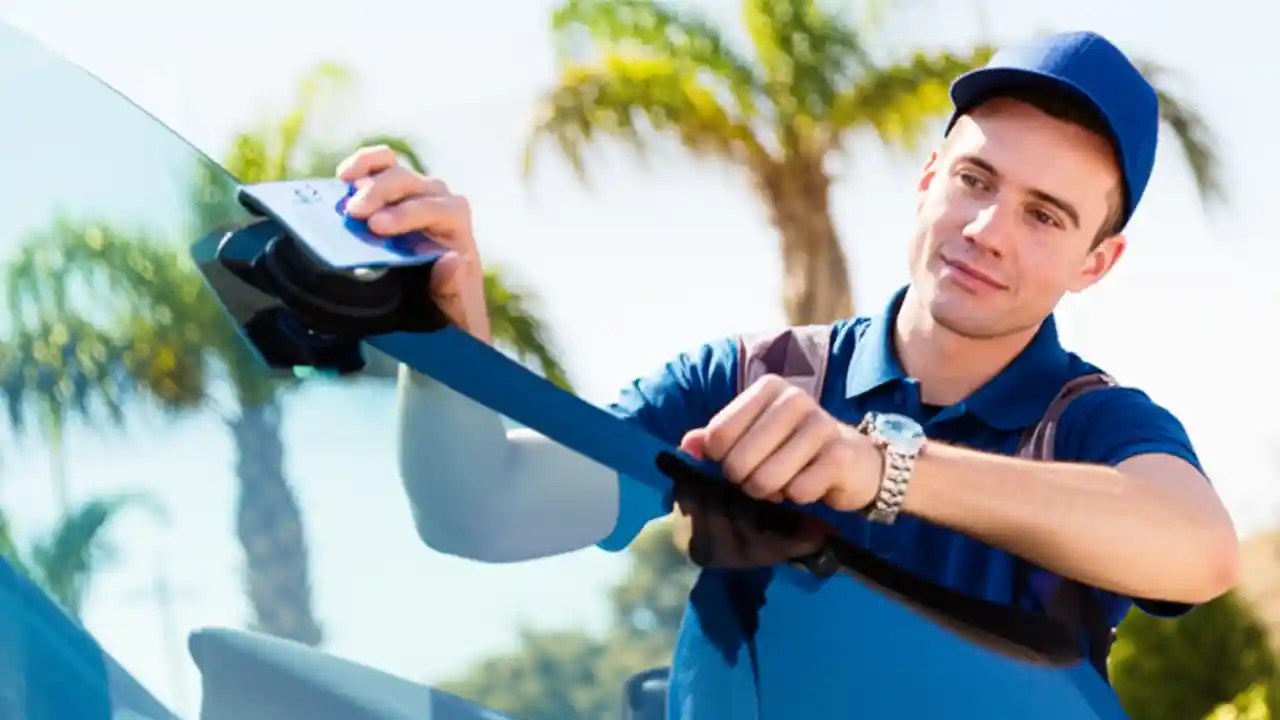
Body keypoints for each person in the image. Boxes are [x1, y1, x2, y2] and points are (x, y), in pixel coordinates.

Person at [337, 29, 1239, 718]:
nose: (989, 228)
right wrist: (439, 328)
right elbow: (481, 509)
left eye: (1045, 215)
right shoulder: (747, 377)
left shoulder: (1092, 425)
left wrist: (879, 469)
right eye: (975, 179)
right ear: (928, 178)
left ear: (1096, 262)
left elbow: (1198, 551)